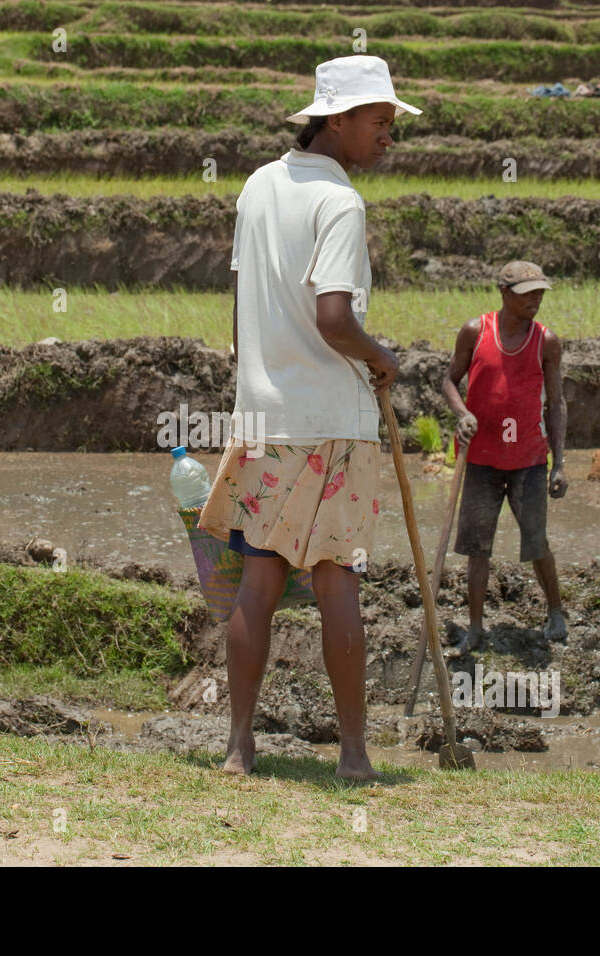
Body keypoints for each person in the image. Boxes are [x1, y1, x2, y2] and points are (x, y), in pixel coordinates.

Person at [198, 55, 418, 779]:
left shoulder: (259, 187)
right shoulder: (341, 202)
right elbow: (333, 318)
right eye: (379, 123)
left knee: (256, 585)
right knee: (338, 587)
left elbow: (241, 311)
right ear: (336, 119)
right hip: (330, 423)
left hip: (262, 417)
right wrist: (382, 358)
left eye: (390, 124)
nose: (387, 136)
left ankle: (238, 747)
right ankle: (354, 754)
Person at [442, 261, 569, 654]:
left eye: (540, 293)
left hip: (529, 459)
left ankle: (556, 611)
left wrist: (559, 463)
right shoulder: (475, 332)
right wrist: (463, 414)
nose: (536, 299)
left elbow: (556, 403)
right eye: (528, 293)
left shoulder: (546, 341)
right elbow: (448, 380)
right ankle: (476, 628)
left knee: (536, 541)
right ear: (504, 293)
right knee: (477, 547)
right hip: (481, 457)